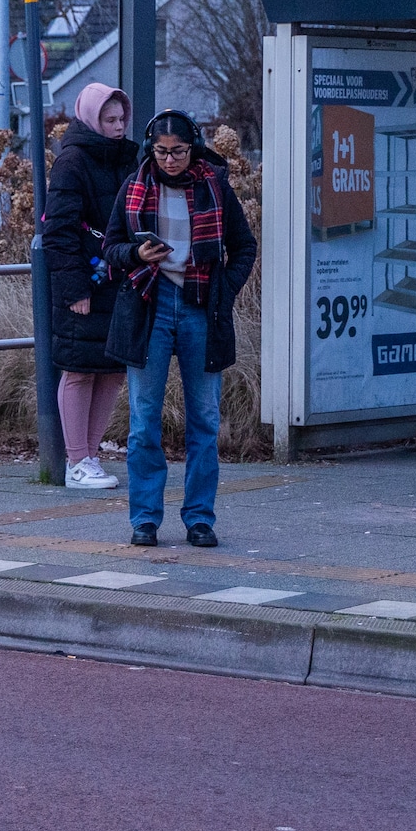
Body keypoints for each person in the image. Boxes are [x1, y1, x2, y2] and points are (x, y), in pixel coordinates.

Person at [104, 109, 257, 548]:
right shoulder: (134, 187)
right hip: (149, 305)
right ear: (150, 150)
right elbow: (110, 247)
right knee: (144, 420)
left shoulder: (215, 186)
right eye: (162, 152)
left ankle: (200, 518)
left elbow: (244, 246)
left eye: (179, 152)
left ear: (194, 148)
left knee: (205, 419)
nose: (170, 160)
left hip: (199, 306)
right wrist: (137, 256)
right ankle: (145, 519)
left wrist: (224, 291)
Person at [44, 84, 136, 491]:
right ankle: (76, 460)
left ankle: (91, 455)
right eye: (109, 120)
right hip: (87, 278)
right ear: (91, 119)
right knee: (80, 368)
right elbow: (58, 231)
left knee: (112, 369)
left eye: (121, 120)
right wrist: (74, 288)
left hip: (118, 276)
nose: (117, 128)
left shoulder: (128, 158)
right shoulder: (72, 162)